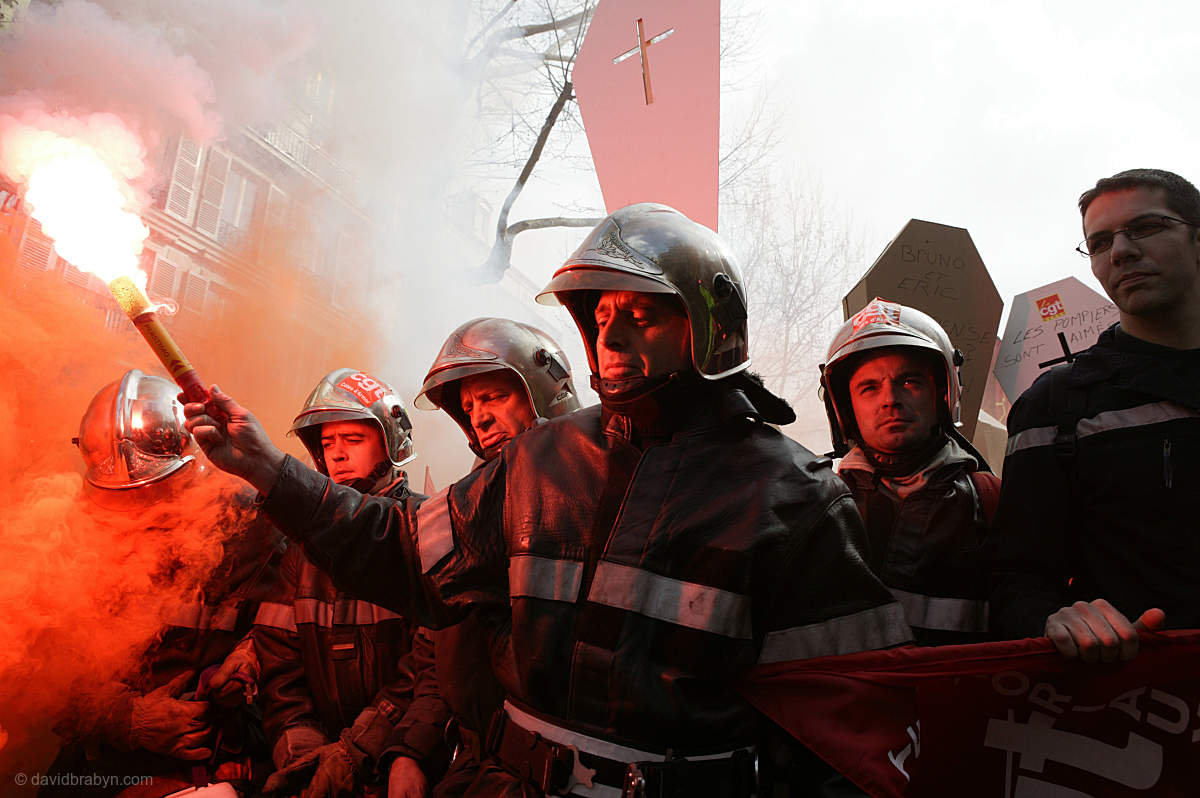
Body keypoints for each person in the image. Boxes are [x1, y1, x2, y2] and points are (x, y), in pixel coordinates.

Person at [185, 203, 910, 797]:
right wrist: (274, 471)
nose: (612, 336)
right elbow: (402, 554)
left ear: (708, 325)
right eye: (599, 317)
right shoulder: (540, 460)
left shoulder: (795, 497)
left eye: (643, 314)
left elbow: (847, 732)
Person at [43, 369, 285, 798]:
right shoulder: (74, 536)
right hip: (101, 767)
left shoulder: (250, 526)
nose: (138, 507)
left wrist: (252, 658)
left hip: (213, 762)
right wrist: (124, 720)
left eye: (153, 491)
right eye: (122, 495)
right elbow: (43, 676)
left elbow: (298, 643)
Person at [991, 168, 1200, 663]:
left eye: (1145, 227)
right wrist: (1052, 619)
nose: (1121, 251)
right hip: (1145, 712)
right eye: (1100, 242)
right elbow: (1012, 580)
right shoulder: (1055, 409)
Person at [381, 317, 581, 798]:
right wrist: (410, 750)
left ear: (542, 390)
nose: (479, 418)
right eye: (468, 406)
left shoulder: (590, 503)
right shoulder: (462, 514)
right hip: (476, 763)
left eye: (493, 397)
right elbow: (437, 653)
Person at [250, 369, 429, 797]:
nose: (337, 456)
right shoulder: (302, 548)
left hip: (399, 764)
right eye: (327, 444)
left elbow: (429, 670)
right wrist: (300, 746)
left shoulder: (429, 527)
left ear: (391, 442)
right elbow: (278, 665)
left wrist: (358, 751)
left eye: (353, 440)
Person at [820, 298, 999, 646]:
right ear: (845, 407)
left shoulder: (991, 501)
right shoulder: (818, 506)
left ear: (942, 394)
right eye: (869, 388)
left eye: (910, 382)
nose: (890, 400)